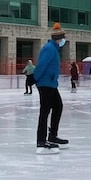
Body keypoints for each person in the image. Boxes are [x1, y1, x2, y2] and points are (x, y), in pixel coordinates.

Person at [34, 23, 68, 153]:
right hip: (45, 84)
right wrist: (35, 77)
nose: (64, 40)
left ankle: (52, 136)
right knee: (45, 112)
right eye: (63, 38)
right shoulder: (49, 48)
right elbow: (42, 65)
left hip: (51, 83)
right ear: (59, 38)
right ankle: (41, 141)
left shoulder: (53, 48)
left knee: (58, 106)